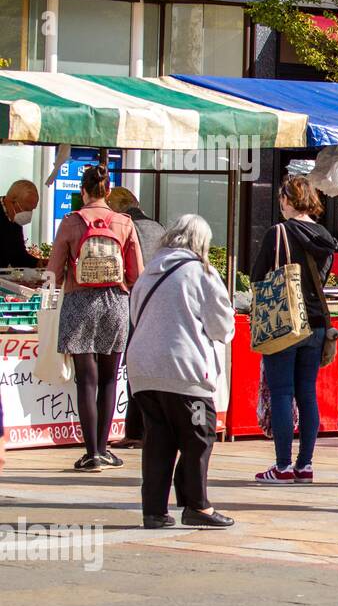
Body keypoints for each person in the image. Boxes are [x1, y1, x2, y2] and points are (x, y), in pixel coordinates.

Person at [127, 215, 236, 529]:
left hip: (143, 369)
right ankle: (197, 506)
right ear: (201, 242)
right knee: (198, 436)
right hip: (185, 370)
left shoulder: (149, 270)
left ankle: (154, 511)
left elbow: (136, 314)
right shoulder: (201, 272)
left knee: (158, 439)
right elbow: (221, 325)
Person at [47, 165, 145, 472]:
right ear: (108, 191)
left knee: (86, 381)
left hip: (79, 302)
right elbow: (136, 274)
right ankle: (104, 449)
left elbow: (53, 271)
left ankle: (90, 452)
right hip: (115, 303)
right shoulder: (124, 222)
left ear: (83, 192)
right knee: (109, 378)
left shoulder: (71, 222)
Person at [250, 177, 338, 484]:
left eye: (281, 198)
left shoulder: (279, 233)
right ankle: (305, 464)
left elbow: (257, 275)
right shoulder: (325, 235)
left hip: (285, 321)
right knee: (307, 392)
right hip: (315, 323)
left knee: (283, 392)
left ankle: (283, 466)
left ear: (289, 199)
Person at [107, 186, 166, 451]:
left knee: (134, 366)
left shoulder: (125, 226)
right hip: (158, 304)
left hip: (132, 301)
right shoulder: (158, 226)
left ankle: (134, 430)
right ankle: (146, 429)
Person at [1, 180, 41, 268]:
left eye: (32, 209)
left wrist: (39, 263)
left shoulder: (15, 220)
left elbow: (18, 257)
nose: (29, 214)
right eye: (26, 209)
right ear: (11, 201)